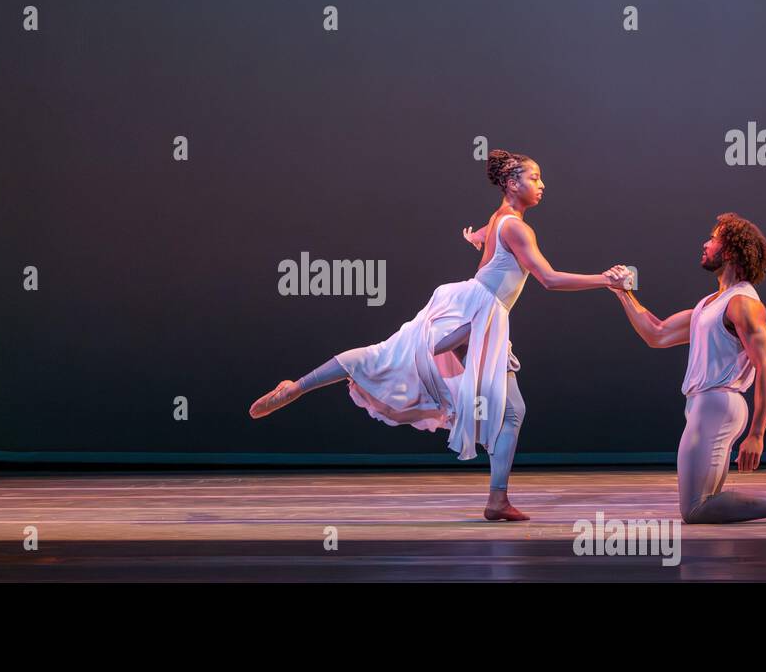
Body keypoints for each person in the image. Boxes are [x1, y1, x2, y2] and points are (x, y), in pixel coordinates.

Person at [249, 150, 629, 520]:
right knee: (398, 361)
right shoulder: (515, 225)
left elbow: (492, 235)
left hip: (475, 315)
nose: (542, 184)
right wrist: (605, 280)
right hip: (474, 314)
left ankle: (497, 500)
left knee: (505, 409)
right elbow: (548, 278)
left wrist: (478, 236)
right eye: (534, 177)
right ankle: (296, 387)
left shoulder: (502, 219)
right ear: (512, 184)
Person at [608, 213, 766, 522]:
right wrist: (622, 293)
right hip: (707, 406)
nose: (705, 243)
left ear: (731, 251)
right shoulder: (711, 304)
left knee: (696, 509)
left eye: (713, 238)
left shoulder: (743, 303)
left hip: (716, 405)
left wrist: (757, 434)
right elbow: (656, 333)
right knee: (707, 501)